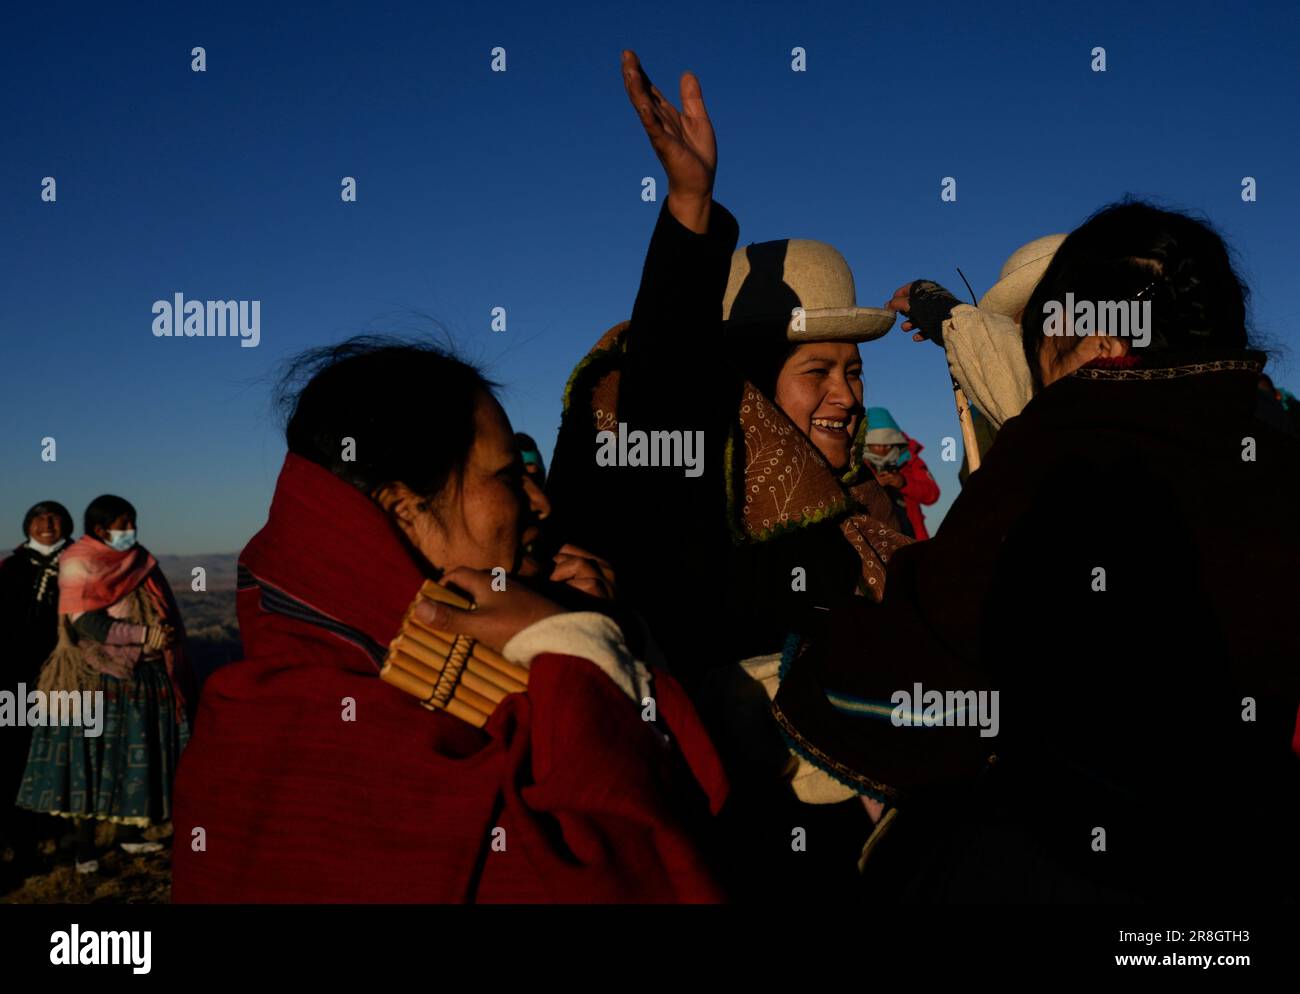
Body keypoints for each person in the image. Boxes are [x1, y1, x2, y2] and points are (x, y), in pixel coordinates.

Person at [774, 200, 1300, 901]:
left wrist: (807, 664)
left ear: (1096, 344)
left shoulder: (1073, 439)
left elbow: (925, 677)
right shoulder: (1267, 440)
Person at [171, 336, 728, 903]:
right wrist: (581, 654)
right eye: (510, 477)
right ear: (404, 511)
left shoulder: (237, 715)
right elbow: (654, 877)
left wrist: (603, 639)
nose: (541, 504)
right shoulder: (329, 742)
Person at [16, 495, 192, 874]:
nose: (130, 531)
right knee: (91, 762)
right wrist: (143, 635)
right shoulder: (80, 561)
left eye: (133, 523)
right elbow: (85, 622)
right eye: (123, 524)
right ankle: (85, 847)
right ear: (100, 528)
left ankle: (131, 831)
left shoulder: (139, 559)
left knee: (133, 756)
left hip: (144, 672)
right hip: (97, 676)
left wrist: (161, 635)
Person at [0, 501, 74, 873]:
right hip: (16, 679)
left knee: (69, 753)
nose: (47, 523)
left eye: (54, 516)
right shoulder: (11, 568)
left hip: (73, 677)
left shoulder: (83, 562)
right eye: (38, 517)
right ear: (27, 525)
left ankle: (70, 837)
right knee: (15, 755)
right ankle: (22, 841)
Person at [860, 407, 940, 540]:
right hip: (875, 536)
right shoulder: (857, 464)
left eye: (887, 444)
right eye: (876, 444)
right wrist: (873, 485)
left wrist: (904, 482)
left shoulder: (910, 459)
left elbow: (932, 494)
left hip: (912, 535)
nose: (882, 449)